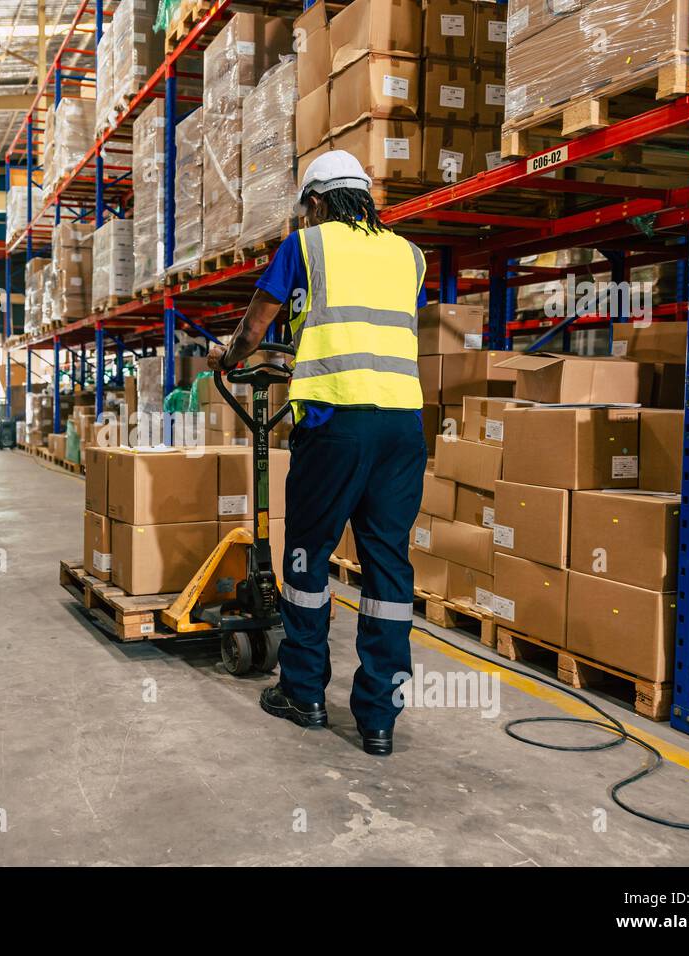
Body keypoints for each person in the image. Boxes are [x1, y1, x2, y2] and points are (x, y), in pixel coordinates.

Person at [207, 150, 428, 756]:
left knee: (307, 556)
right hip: (402, 428)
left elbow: (254, 329)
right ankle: (379, 718)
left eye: (306, 206)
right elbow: (367, 330)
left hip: (334, 424)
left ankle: (303, 692)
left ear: (318, 200)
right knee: (388, 569)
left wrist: (228, 357)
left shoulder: (306, 246)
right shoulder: (411, 256)